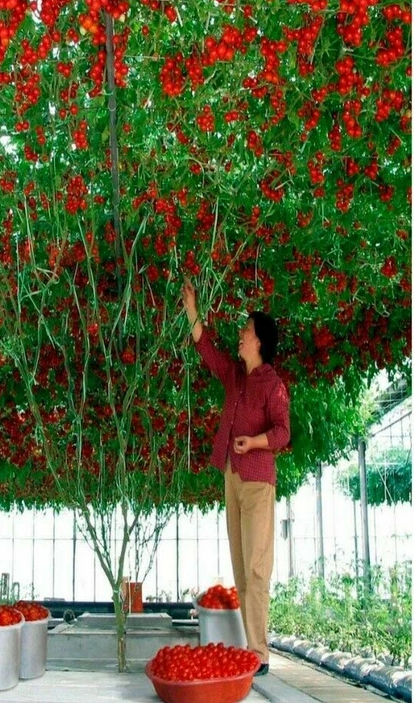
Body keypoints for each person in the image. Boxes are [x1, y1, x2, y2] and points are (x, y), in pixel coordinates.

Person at [183, 277, 290, 677]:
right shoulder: (236, 376)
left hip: (259, 481)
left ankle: (260, 653)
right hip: (232, 477)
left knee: (258, 567)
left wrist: (253, 442)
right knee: (242, 568)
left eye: (246, 331)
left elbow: (282, 432)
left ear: (259, 341)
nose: (240, 336)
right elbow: (207, 351)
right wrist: (192, 310)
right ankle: (252, 648)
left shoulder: (273, 384)